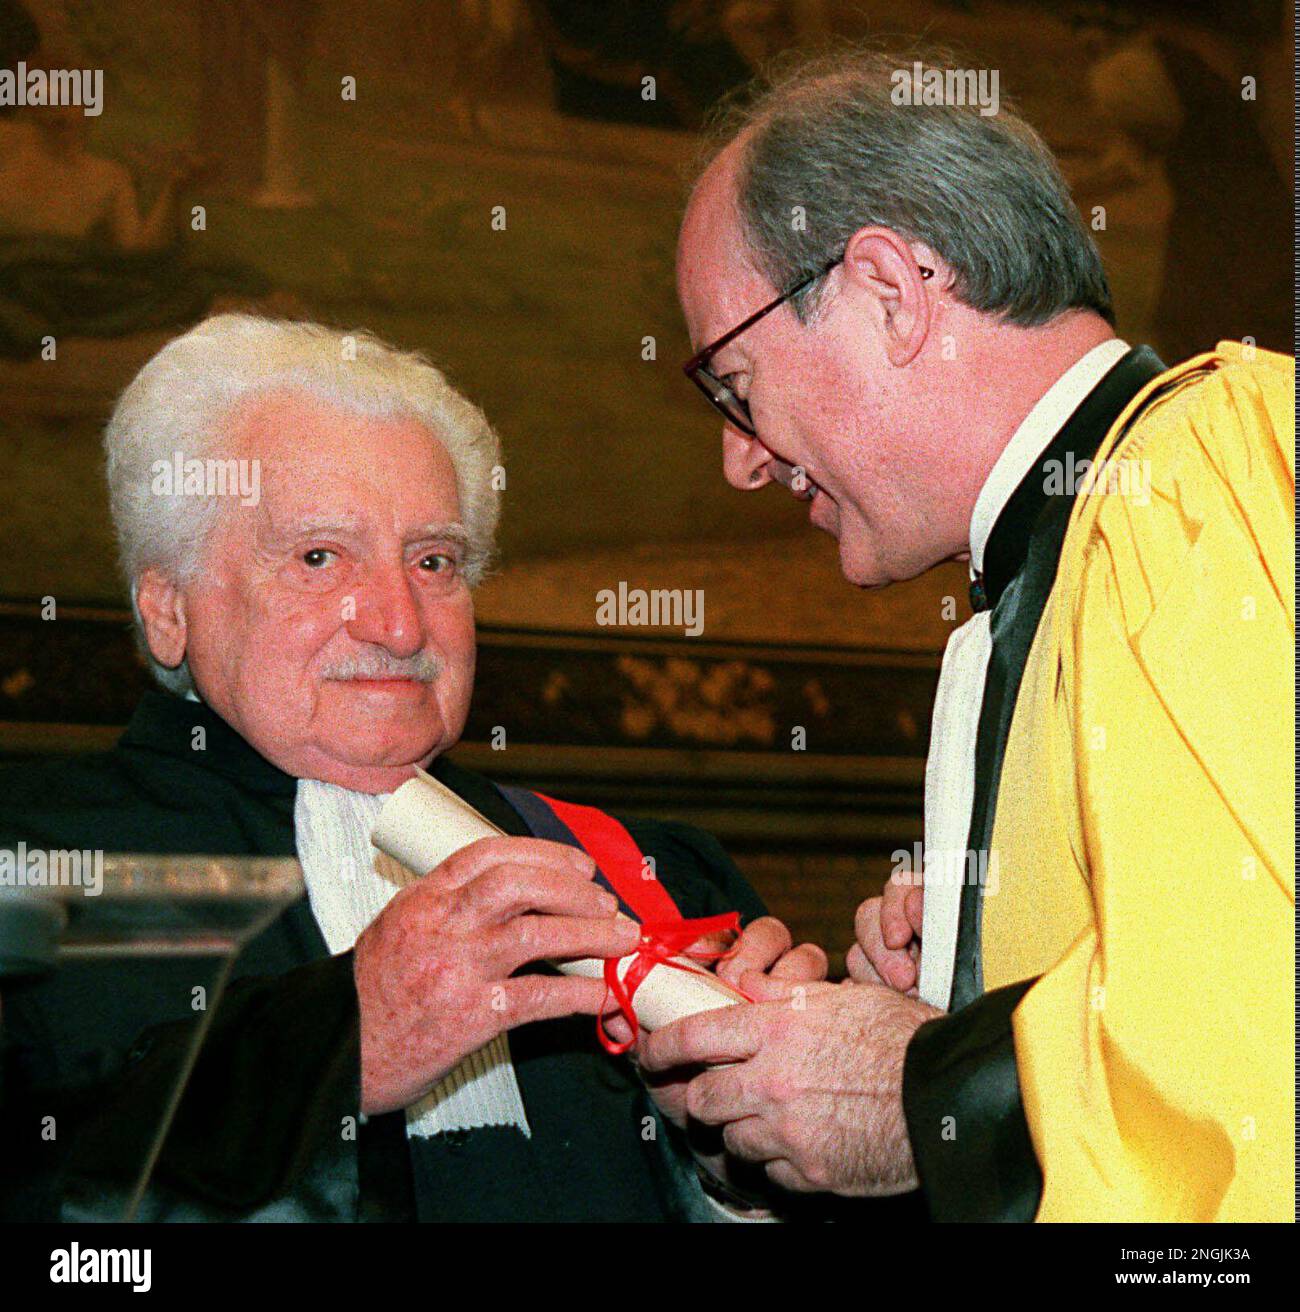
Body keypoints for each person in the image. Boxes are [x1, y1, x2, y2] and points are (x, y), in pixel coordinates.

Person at [640, 46, 1293, 1222]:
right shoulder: (1068, 549)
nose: (738, 460)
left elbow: (1260, 1012)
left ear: (890, 289)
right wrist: (958, 998)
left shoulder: (1202, 468)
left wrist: (917, 1087)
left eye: (734, 387)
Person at [0, 313, 825, 1221]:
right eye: (319, 557)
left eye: (435, 561)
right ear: (167, 608)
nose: (398, 624)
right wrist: (340, 1047)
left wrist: (734, 1151)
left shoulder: (641, 873)